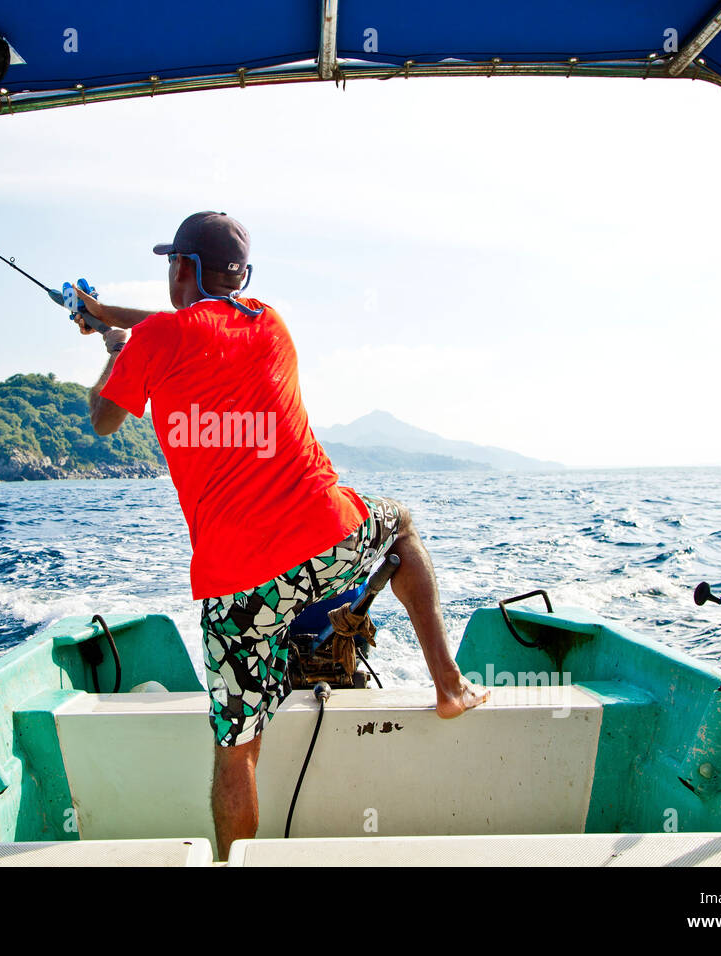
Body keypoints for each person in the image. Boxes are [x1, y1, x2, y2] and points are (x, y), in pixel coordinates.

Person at [73, 211, 489, 858]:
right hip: (329, 545)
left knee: (237, 747)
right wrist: (104, 311)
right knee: (399, 528)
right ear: (241, 277)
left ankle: (229, 863)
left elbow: (104, 420)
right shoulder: (269, 320)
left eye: (171, 267)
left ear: (182, 269)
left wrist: (116, 348)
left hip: (238, 583)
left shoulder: (155, 340)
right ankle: (449, 686)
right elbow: (176, 321)